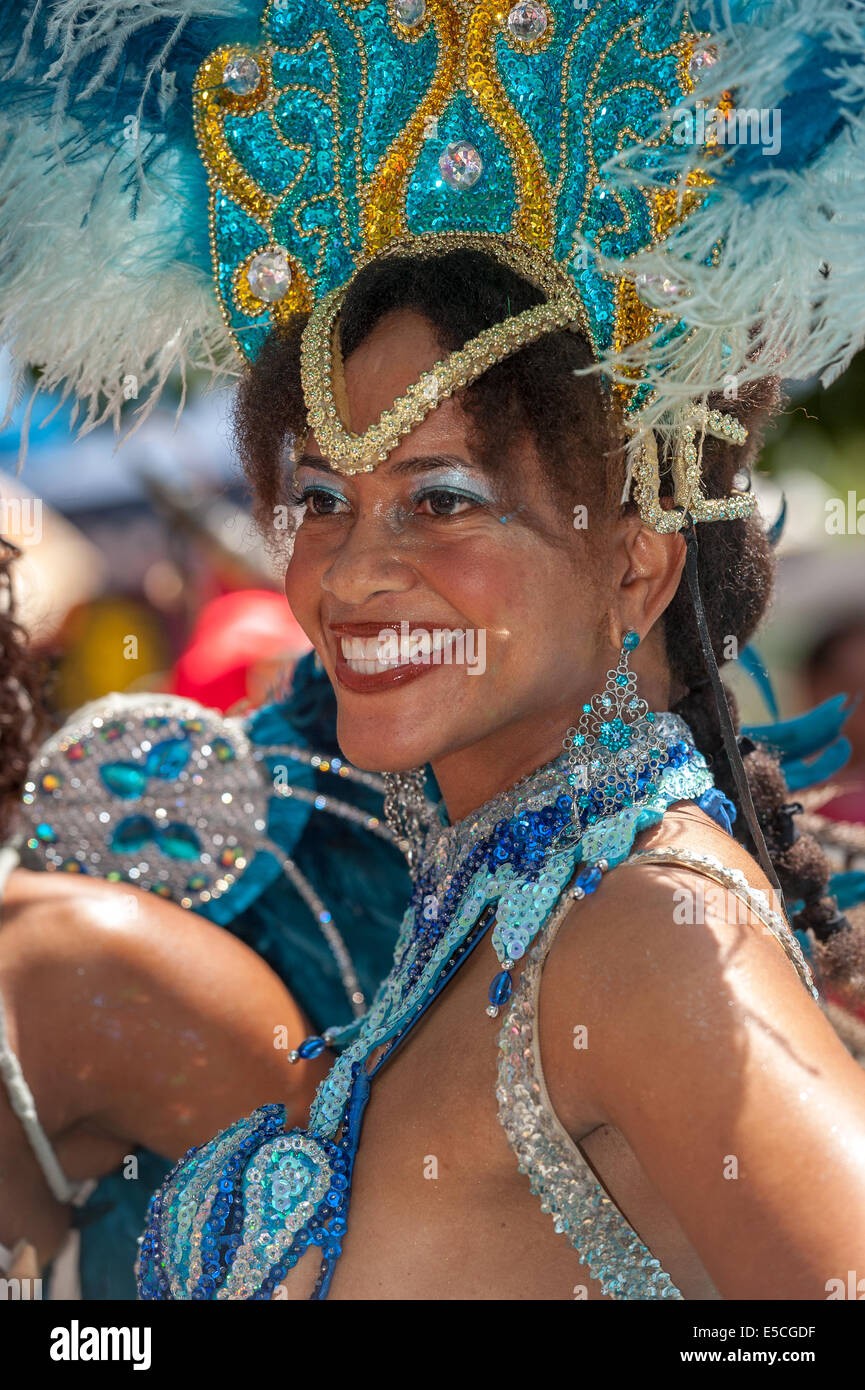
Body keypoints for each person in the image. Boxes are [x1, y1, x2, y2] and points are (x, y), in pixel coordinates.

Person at [4, 0, 865, 1301]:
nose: (351, 570)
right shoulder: (486, 920)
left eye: (442, 497)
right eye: (320, 500)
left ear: (635, 560)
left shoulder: (643, 926)